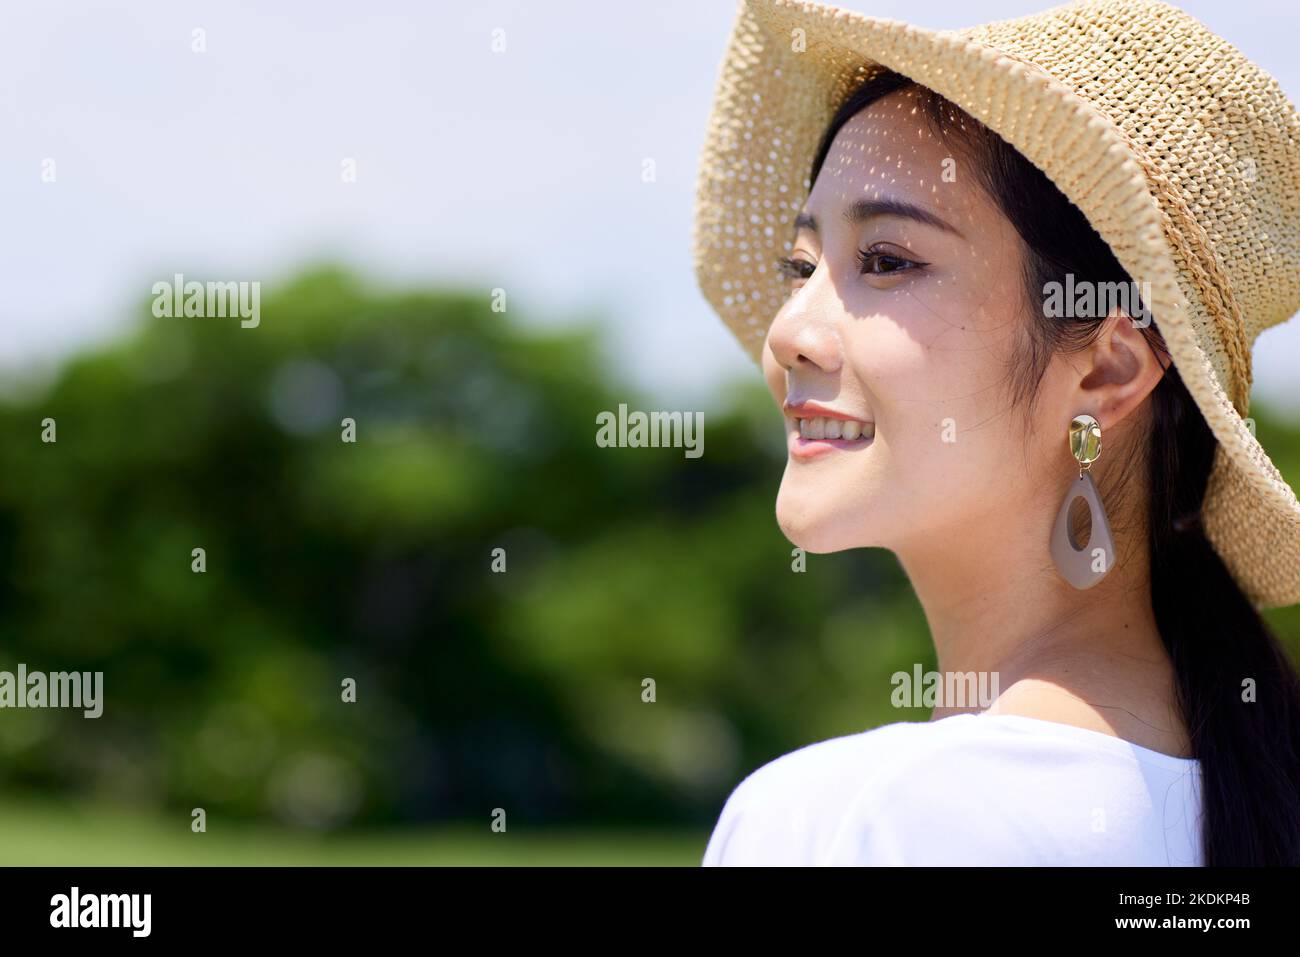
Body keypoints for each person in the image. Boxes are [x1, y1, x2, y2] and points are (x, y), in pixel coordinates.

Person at [692, 0, 1300, 865]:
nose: (790, 328)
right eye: (802, 265)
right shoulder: (1250, 789)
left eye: (888, 261)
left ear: (1109, 370)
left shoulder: (862, 818)